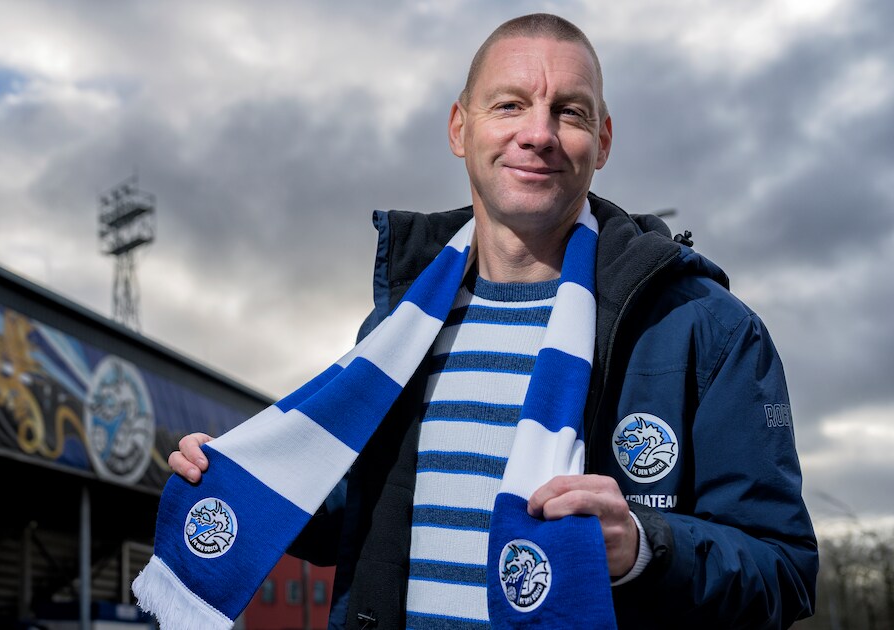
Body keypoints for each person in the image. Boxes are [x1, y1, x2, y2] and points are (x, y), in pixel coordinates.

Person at [168, 13, 816, 629]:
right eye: (509, 105)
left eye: (570, 111)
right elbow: (370, 517)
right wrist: (245, 475)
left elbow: (783, 570)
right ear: (459, 129)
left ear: (604, 141)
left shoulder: (708, 328)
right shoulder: (400, 325)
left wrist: (647, 548)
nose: (538, 133)